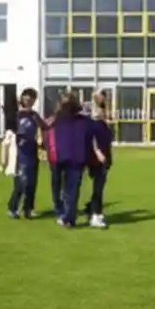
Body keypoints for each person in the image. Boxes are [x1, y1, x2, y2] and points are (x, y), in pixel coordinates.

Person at [50, 93, 97, 228]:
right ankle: (69, 217)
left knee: (64, 188)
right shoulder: (85, 122)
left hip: (63, 156)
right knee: (72, 189)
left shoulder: (58, 120)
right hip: (77, 158)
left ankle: (66, 215)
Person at [7, 88, 50, 220]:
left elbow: (45, 126)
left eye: (32, 98)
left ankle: (28, 209)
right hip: (20, 152)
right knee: (21, 181)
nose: (29, 100)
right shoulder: (17, 115)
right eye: (27, 97)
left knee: (32, 182)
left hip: (32, 151)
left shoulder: (34, 115)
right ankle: (13, 208)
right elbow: (10, 132)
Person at [85, 97, 114, 229]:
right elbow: (92, 140)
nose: (102, 111)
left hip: (104, 159)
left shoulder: (104, 125)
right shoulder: (93, 124)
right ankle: (95, 214)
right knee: (98, 188)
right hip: (96, 160)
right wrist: (98, 152)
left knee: (100, 187)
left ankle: (92, 209)